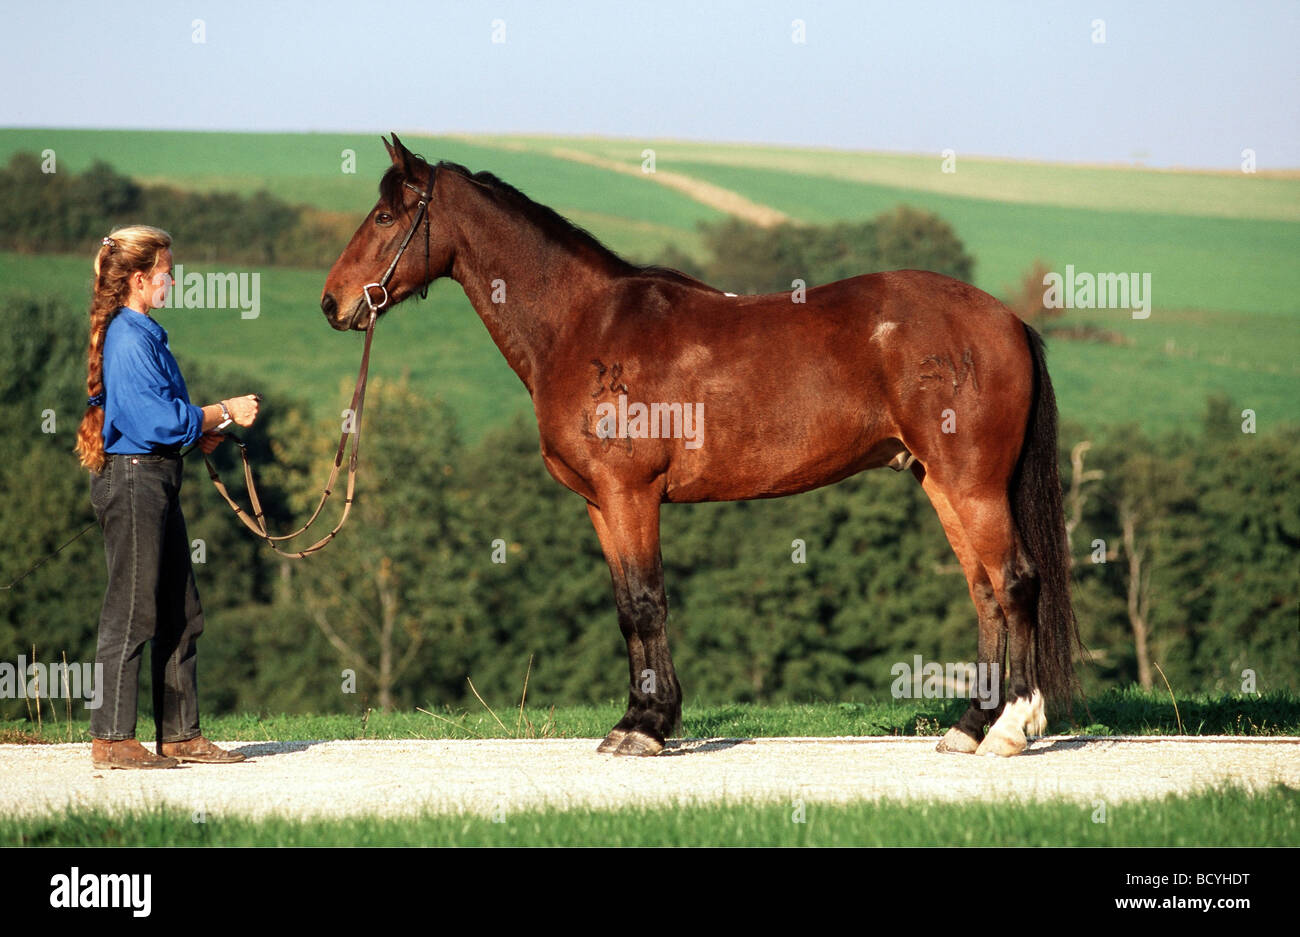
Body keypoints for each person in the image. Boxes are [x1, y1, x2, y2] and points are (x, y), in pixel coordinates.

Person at [74, 225, 260, 769]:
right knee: (132, 610)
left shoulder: (141, 331)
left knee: (181, 609)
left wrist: (196, 429)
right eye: (166, 272)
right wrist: (221, 411)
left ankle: (180, 735)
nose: (172, 281)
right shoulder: (130, 337)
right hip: (135, 481)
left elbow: (156, 415)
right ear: (138, 278)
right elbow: (154, 419)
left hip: (153, 477)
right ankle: (111, 739)